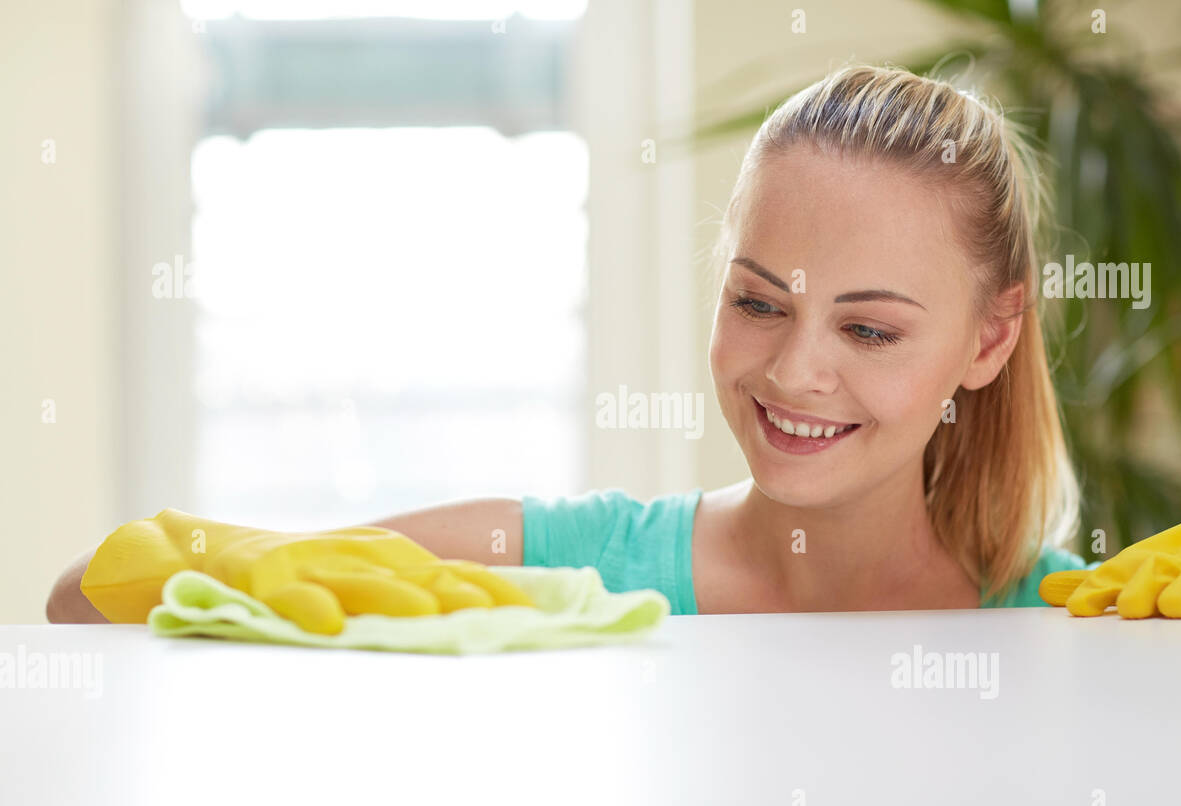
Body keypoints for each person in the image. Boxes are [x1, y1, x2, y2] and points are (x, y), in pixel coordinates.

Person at [48, 63, 1093, 622]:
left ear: (990, 339)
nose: (792, 371)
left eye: (867, 328)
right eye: (758, 302)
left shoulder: (1068, 617)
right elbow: (81, 598)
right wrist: (232, 572)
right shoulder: (581, 565)